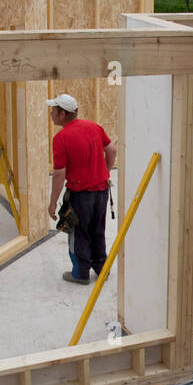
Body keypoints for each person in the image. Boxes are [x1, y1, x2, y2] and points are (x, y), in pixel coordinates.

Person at [48, 93, 116, 284]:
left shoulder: (61, 138)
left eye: (53, 111)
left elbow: (59, 174)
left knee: (78, 233)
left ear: (62, 114)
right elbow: (111, 150)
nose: (51, 114)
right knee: (98, 230)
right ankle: (102, 269)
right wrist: (104, 172)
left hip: (81, 195)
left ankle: (81, 273)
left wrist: (53, 203)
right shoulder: (94, 127)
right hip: (102, 191)